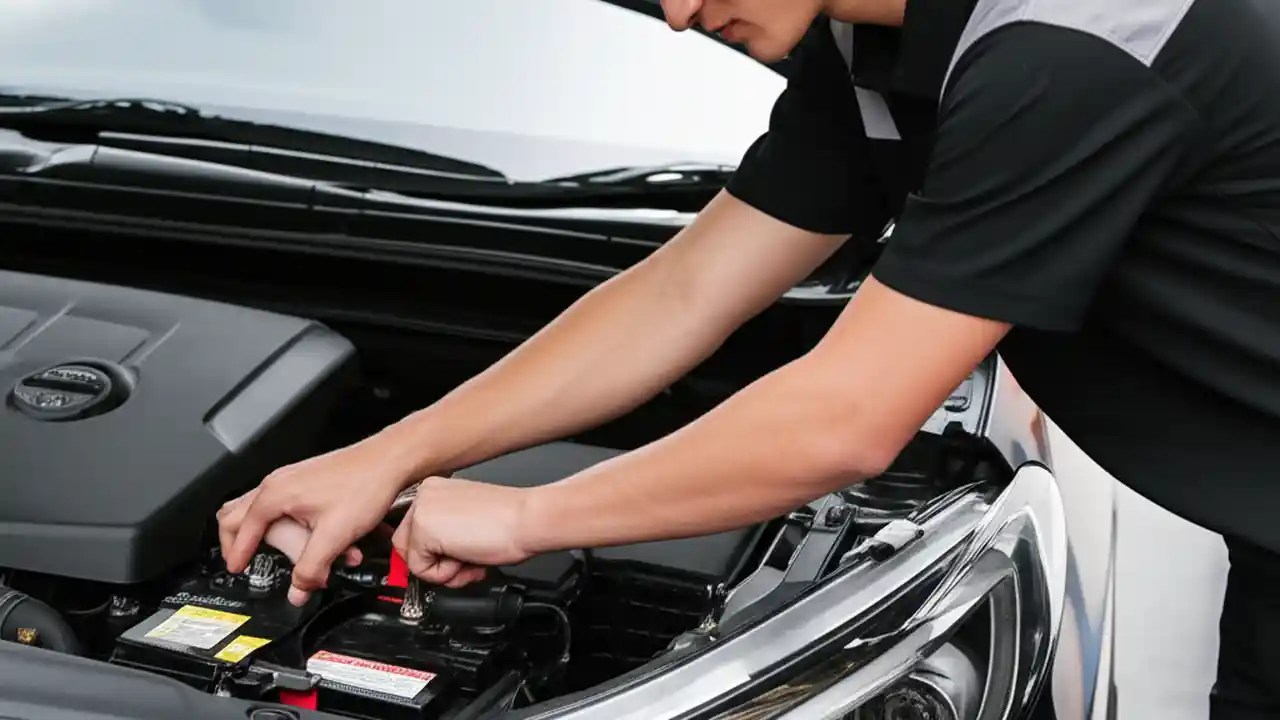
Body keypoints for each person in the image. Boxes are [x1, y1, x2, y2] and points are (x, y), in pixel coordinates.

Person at [218, 0, 1280, 715]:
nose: (677, 12)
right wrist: (391, 454)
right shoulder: (876, 47)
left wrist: (523, 514)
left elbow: (844, 417)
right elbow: (681, 292)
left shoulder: (1073, 45)